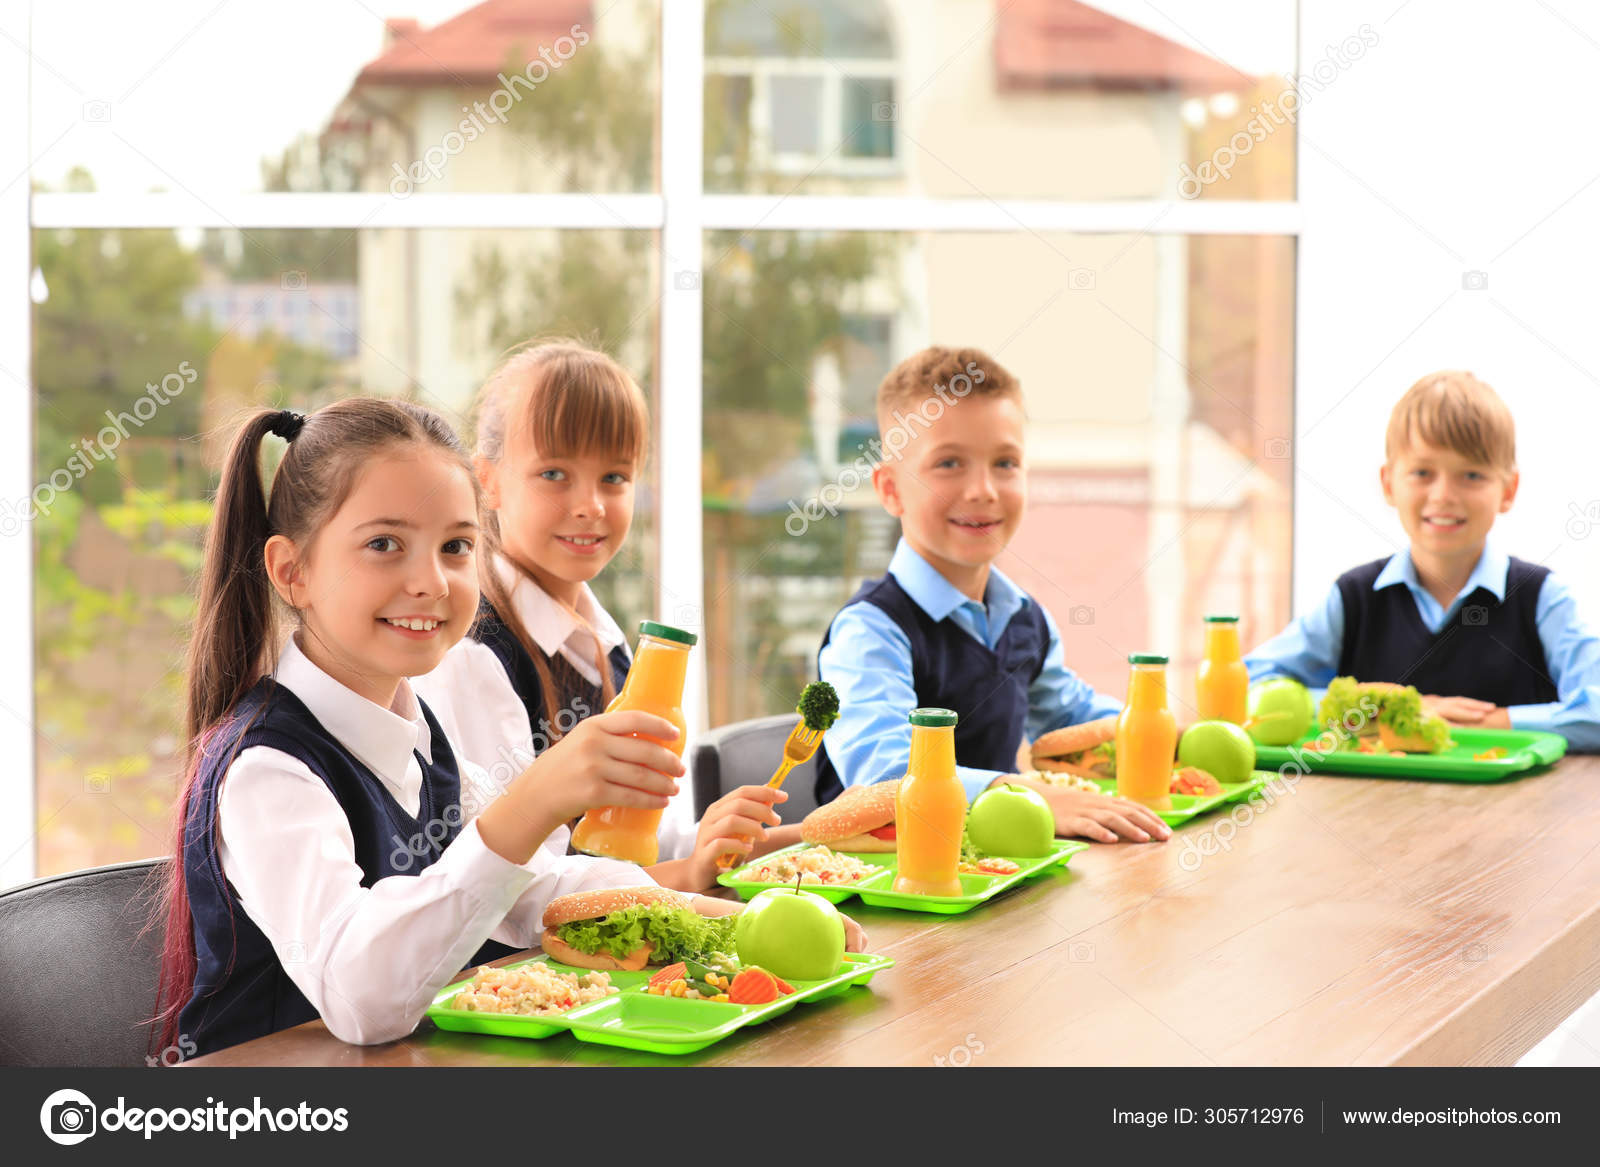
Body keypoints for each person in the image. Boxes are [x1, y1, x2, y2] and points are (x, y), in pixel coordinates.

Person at [414, 341, 801, 890]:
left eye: (614, 478)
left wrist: (716, 840)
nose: (591, 504)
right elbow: (520, 891)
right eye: (554, 474)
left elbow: (631, 845)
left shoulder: (608, 647)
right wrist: (689, 871)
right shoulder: (475, 657)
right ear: (489, 481)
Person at [815, 345, 1171, 844]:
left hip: (997, 873)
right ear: (891, 489)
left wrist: (1167, 734)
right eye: (949, 463)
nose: (982, 489)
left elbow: (1072, 718)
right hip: (882, 896)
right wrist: (1036, 796)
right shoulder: (870, 631)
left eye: (1005, 463)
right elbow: (886, 778)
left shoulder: (1025, 618)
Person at [1245, 370, 1600, 749]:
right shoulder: (1355, 598)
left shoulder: (1541, 597)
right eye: (1422, 473)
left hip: (1512, 806)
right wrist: (1392, 708)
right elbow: (1254, 686)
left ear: (1508, 490)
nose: (1444, 494)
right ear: (1388, 484)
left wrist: (1491, 722)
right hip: (1372, 807)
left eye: (1472, 475)